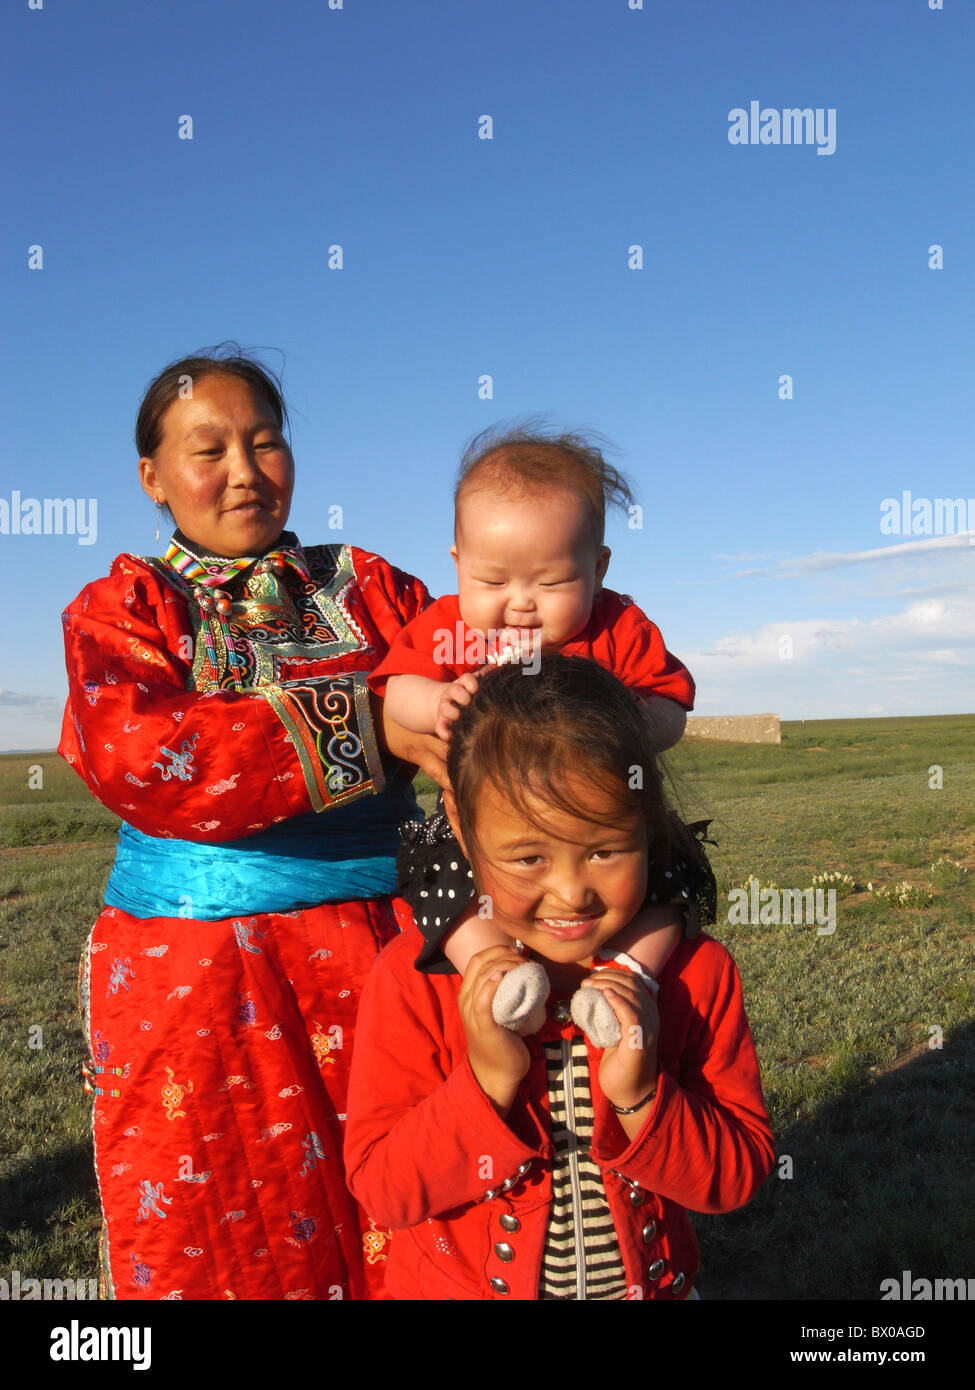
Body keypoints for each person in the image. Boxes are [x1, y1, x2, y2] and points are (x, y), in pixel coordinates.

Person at [58, 346, 443, 1301]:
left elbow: (472, 669)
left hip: (385, 951)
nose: (243, 470)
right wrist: (368, 719)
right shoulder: (123, 612)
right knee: (235, 1222)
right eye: (208, 448)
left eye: (264, 442)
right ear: (151, 477)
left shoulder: (373, 589)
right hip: (195, 978)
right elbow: (144, 756)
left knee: (409, 1196)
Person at [344, 656, 774, 1300]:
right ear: (460, 825)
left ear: (648, 823)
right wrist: (488, 1080)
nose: (572, 894)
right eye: (528, 857)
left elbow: (732, 1180)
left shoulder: (695, 974)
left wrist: (640, 1095)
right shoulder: (414, 981)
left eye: (604, 850)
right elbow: (386, 1192)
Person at [368, 426, 712, 1042]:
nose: (520, 604)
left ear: (598, 567)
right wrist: (439, 699)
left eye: (551, 583)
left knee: (673, 879)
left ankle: (629, 971)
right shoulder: (448, 627)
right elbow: (397, 691)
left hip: (606, 823)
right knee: (440, 881)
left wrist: (627, 716)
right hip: (484, 825)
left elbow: (671, 708)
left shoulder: (617, 627)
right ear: (457, 563)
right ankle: (497, 974)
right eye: (493, 582)